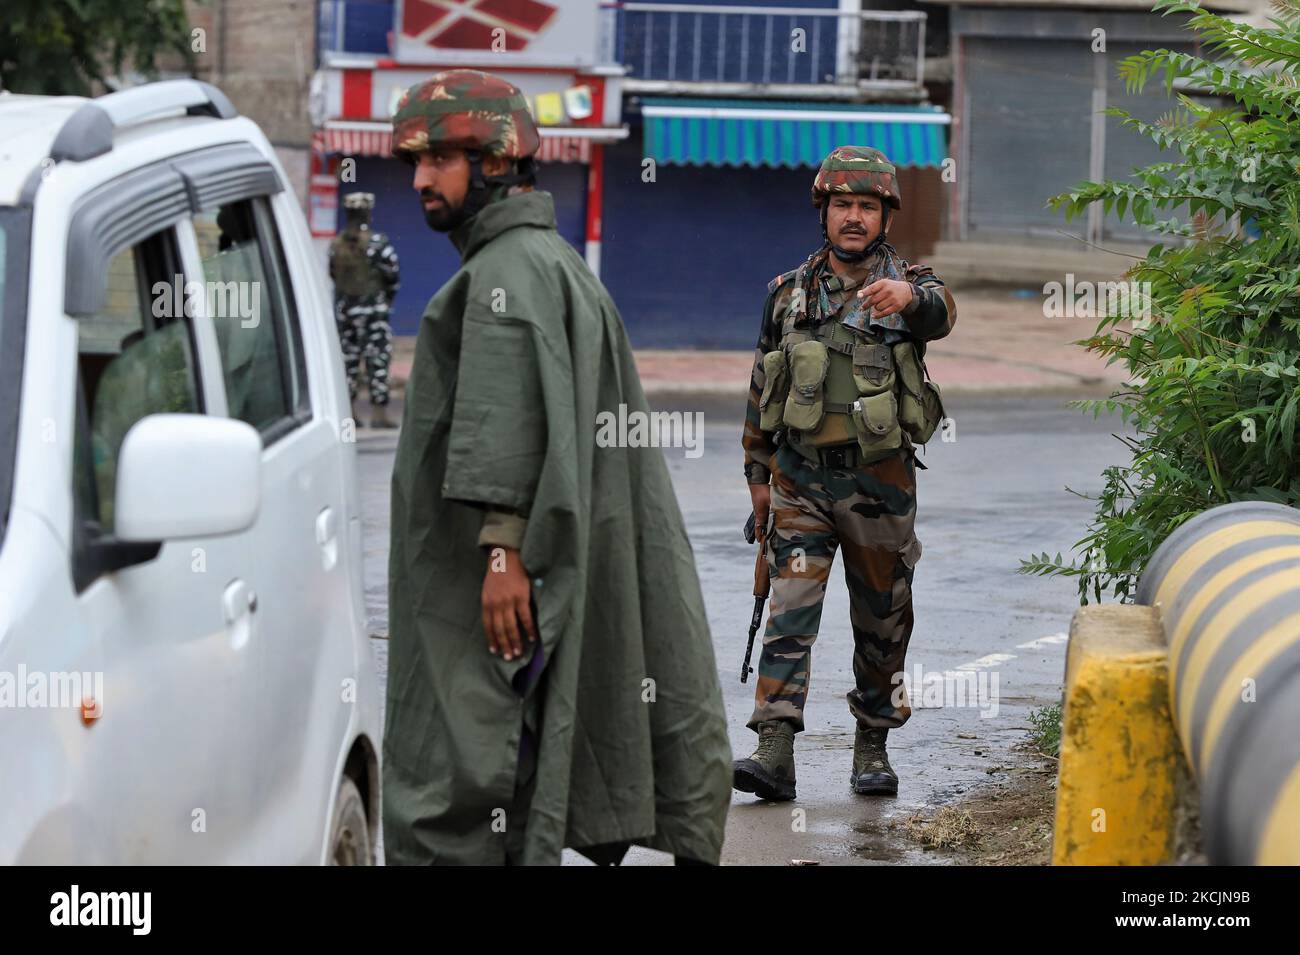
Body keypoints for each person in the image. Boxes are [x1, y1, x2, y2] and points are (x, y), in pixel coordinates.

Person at [382, 69, 731, 866]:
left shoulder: (503, 275)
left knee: (466, 738)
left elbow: (502, 425)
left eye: (441, 159)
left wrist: (503, 551)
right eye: (417, 161)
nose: (420, 179)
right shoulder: (552, 261)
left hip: (498, 567)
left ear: (497, 163)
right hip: (549, 548)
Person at [734, 145, 957, 801]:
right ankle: (773, 750)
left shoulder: (909, 285)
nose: (853, 217)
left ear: (885, 215)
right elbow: (760, 386)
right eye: (842, 205)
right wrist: (757, 476)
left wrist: (910, 297)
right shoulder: (787, 294)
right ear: (823, 213)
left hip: (880, 486)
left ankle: (872, 745)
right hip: (801, 481)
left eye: (866, 206)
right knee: (790, 611)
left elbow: (942, 311)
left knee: (882, 623)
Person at [328, 191, 400, 428]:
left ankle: (349, 413)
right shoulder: (378, 242)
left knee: (347, 362)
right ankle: (379, 414)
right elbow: (393, 276)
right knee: (377, 360)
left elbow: (332, 274)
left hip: (344, 312)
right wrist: (386, 301)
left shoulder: (336, 244)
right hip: (373, 313)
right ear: (368, 213)